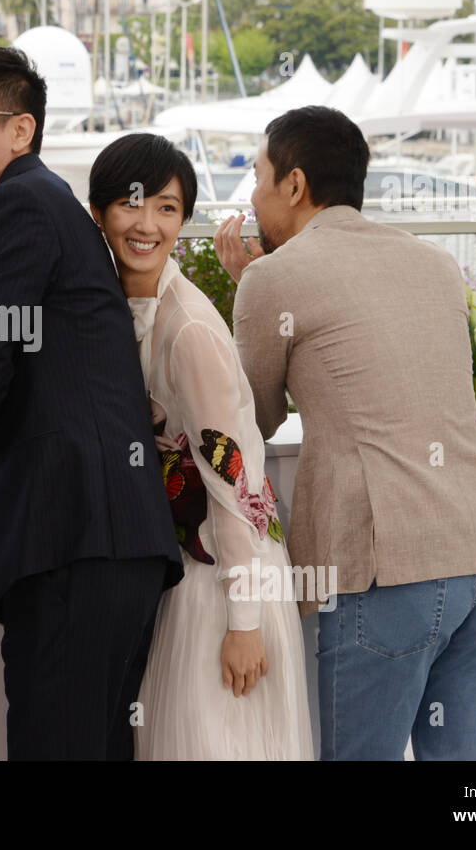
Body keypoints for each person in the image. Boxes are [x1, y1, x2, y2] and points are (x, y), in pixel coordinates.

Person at [214, 105, 476, 760]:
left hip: (389, 564)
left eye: (258, 176)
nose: (252, 196)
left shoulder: (273, 276)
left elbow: (255, 421)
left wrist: (245, 284)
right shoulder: (435, 263)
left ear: (295, 184)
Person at [0, 45, 183, 760]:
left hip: (77, 539)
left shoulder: (17, 207)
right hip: (102, 541)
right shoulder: (37, 202)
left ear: (20, 130)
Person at [86, 133, 314, 760]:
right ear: (97, 212)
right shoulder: (123, 309)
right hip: (183, 568)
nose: (148, 224)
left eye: (167, 208)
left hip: (221, 580)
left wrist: (243, 624)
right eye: (131, 206)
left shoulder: (188, 331)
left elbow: (235, 483)